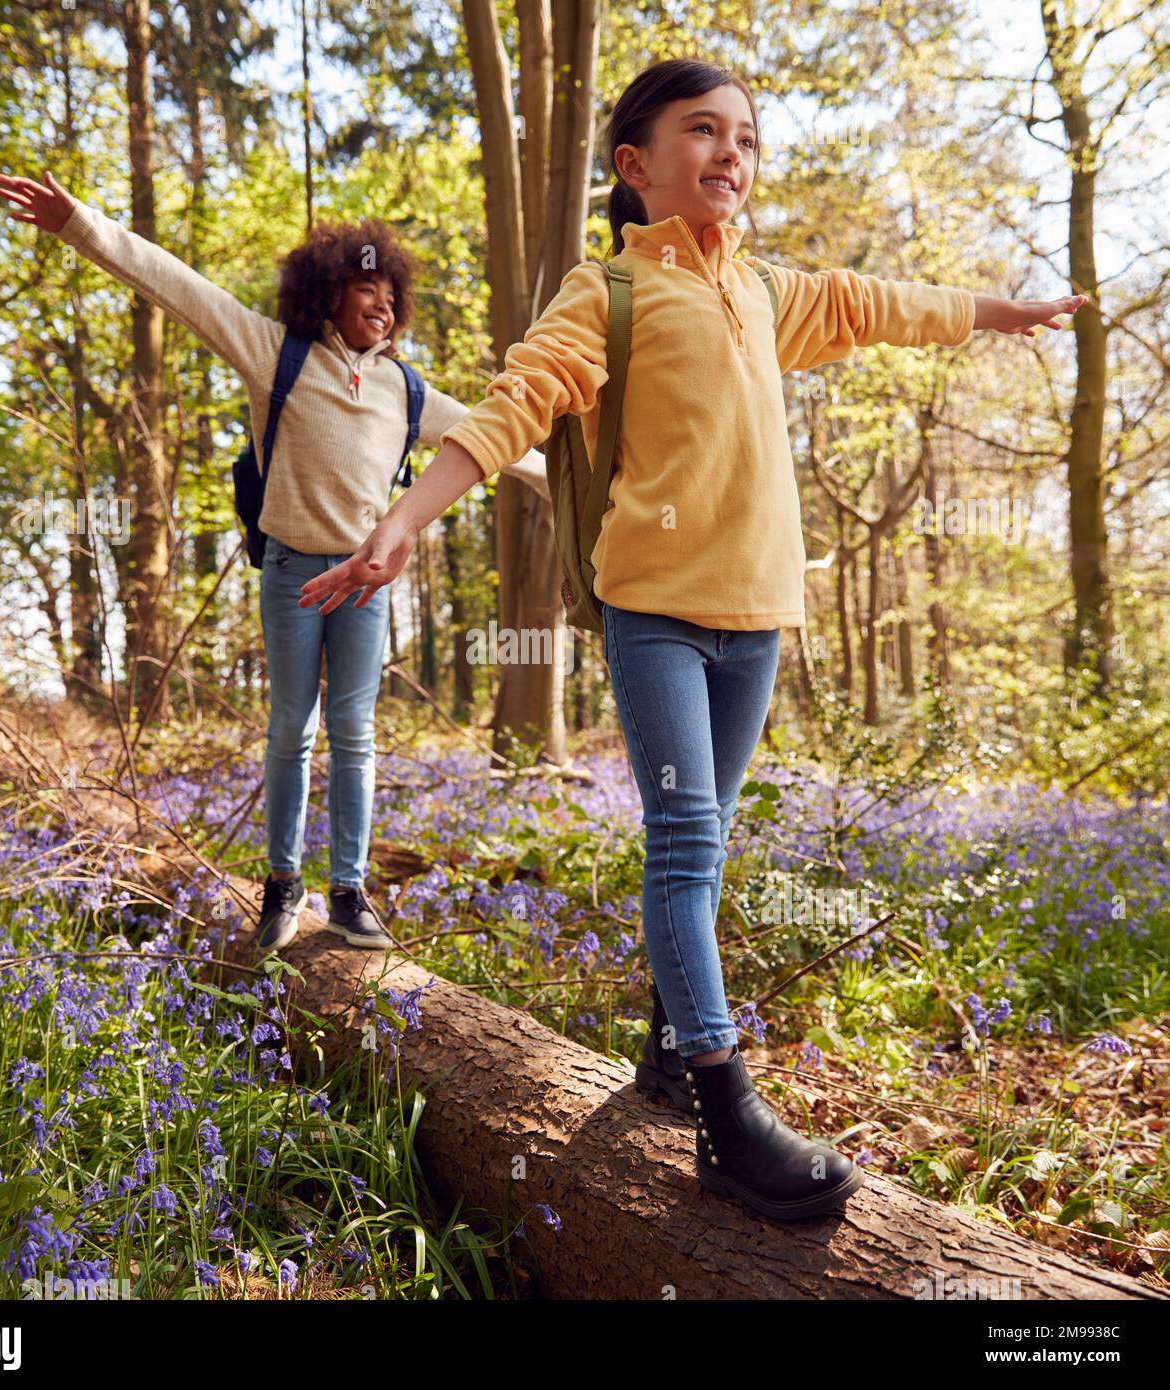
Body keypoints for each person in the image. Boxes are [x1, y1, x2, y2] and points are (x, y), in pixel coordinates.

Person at [295, 58, 1086, 1220]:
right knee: (681, 841)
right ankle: (724, 1113)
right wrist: (402, 522)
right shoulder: (607, 291)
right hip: (654, 611)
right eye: (704, 131)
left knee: (708, 842)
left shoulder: (766, 291)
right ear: (636, 164)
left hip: (757, 617)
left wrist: (1000, 313)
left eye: (747, 138)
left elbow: (878, 303)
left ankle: (668, 1050)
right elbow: (514, 400)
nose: (733, 153)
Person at [0, 170, 551, 955]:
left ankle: (350, 893)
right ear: (327, 295)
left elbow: (503, 440)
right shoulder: (275, 354)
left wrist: (596, 482)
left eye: (391, 292)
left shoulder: (407, 390)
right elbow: (177, 287)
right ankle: (282, 885)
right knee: (292, 729)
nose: (383, 303)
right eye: (366, 287)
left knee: (354, 734)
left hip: (363, 583)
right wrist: (77, 223)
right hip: (291, 574)